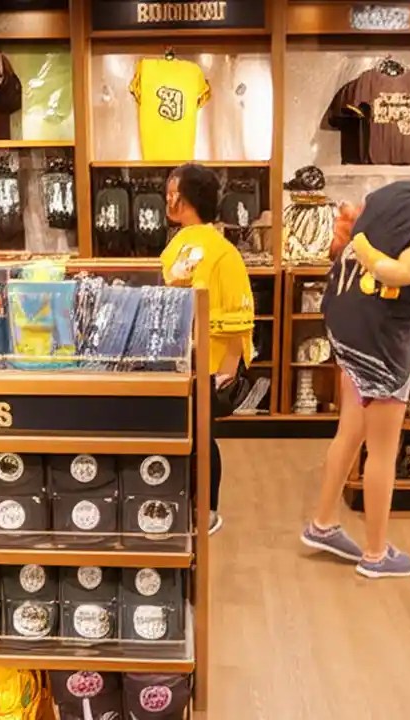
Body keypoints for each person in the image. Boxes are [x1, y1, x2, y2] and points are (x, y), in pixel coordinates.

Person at [300, 156, 410, 578]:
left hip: (345, 325)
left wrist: (359, 246)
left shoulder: (389, 192)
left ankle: (323, 523)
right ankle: (376, 554)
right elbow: (402, 274)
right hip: (383, 343)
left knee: (350, 430)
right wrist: (368, 253)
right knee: (382, 450)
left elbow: (353, 231)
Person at [160, 163, 255, 535]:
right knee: (186, 434)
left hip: (210, 364)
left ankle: (209, 509)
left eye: (172, 191)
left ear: (182, 198)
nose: (168, 197)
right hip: (179, 357)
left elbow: (241, 314)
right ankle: (185, 502)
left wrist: (228, 370)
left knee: (201, 436)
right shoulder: (178, 243)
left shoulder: (222, 252)